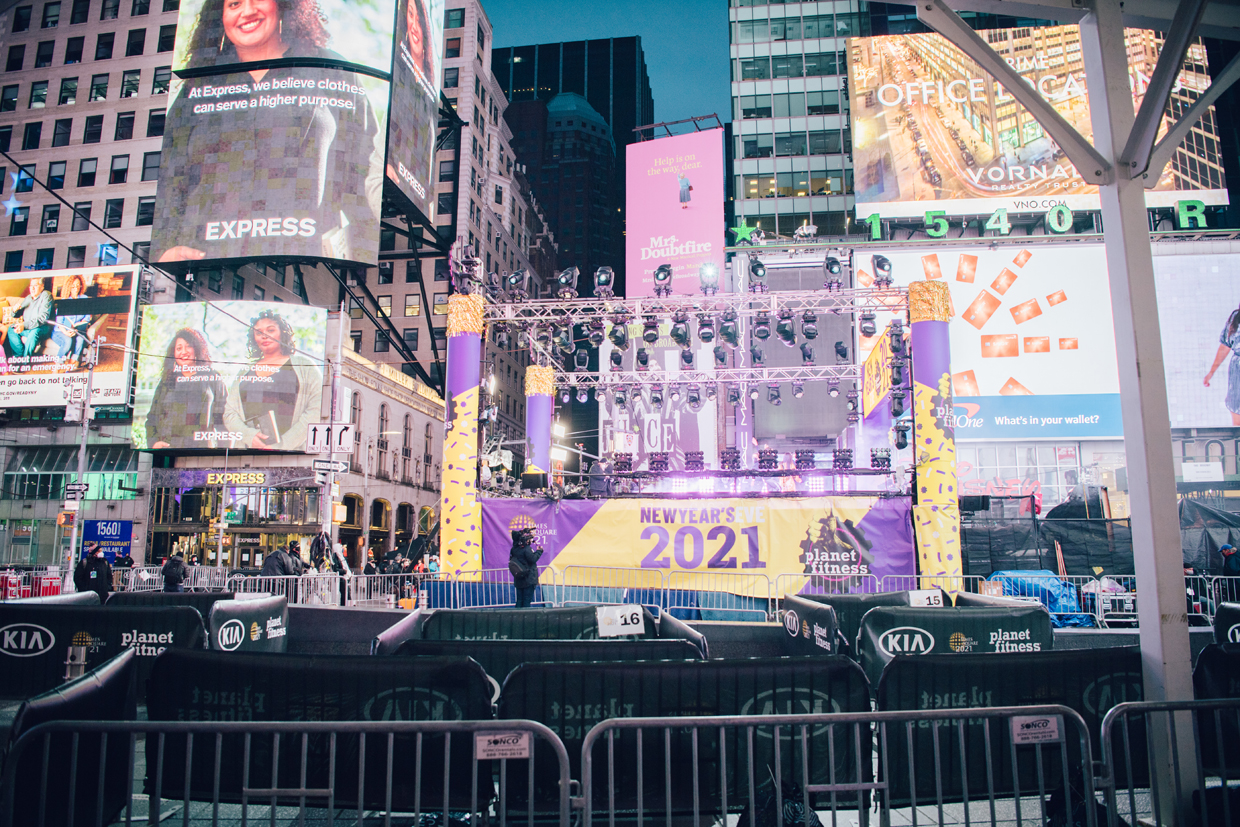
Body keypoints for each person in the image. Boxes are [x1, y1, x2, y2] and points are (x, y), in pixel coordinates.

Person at [154, 0, 384, 265]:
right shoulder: (202, 84)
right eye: (234, 4)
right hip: (208, 260)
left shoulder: (328, 68)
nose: (248, 11)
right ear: (220, 16)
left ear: (282, 5)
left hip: (305, 257)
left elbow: (362, 169)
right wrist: (165, 248)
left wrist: (363, 254)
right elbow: (172, 174)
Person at [222, 310, 323, 451]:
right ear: (254, 339)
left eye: (270, 330)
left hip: (292, 455)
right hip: (246, 454)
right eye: (258, 333)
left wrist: (282, 445)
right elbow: (230, 414)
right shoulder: (244, 372)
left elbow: (316, 410)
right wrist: (249, 437)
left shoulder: (304, 366)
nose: (264, 336)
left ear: (282, 333)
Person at [145, 329, 228, 450]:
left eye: (188, 346)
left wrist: (222, 453)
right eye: (179, 348)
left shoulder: (212, 377)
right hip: (170, 450)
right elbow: (152, 418)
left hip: (203, 451)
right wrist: (153, 443)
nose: (183, 352)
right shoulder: (167, 381)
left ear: (197, 349)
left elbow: (224, 420)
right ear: (173, 354)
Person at [1, 277, 54, 359]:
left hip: (42, 328)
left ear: (42, 286)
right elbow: (17, 314)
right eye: (31, 286)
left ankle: (26, 361)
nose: (32, 288)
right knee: (11, 329)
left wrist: (24, 325)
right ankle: (19, 357)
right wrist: (14, 311)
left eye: (35, 285)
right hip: (28, 328)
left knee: (34, 332)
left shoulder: (46, 295)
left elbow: (43, 318)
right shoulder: (28, 298)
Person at [1205, 306, 1240, 425]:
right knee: (1237, 416)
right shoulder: (1236, 317)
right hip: (1238, 373)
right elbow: (1225, 346)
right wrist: (1211, 372)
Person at [49, 275, 93, 367]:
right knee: (68, 341)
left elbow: (87, 318)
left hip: (77, 330)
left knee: (80, 339)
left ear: (81, 285)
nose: (76, 288)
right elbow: (59, 322)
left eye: (78, 285)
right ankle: (57, 366)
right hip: (60, 331)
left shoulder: (84, 298)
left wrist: (78, 327)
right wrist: (66, 332)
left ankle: (71, 364)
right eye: (73, 286)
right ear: (69, 287)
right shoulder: (65, 301)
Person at [508, 527, 542, 609]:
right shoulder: (526, 549)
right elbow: (532, 559)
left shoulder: (514, 549)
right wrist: (539, 551)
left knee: (519, 600)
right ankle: (524, 619)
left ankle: (516, 619)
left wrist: (523, 532)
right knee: (526, 601)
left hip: (519, 578)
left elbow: (516, 536)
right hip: (528, 578)